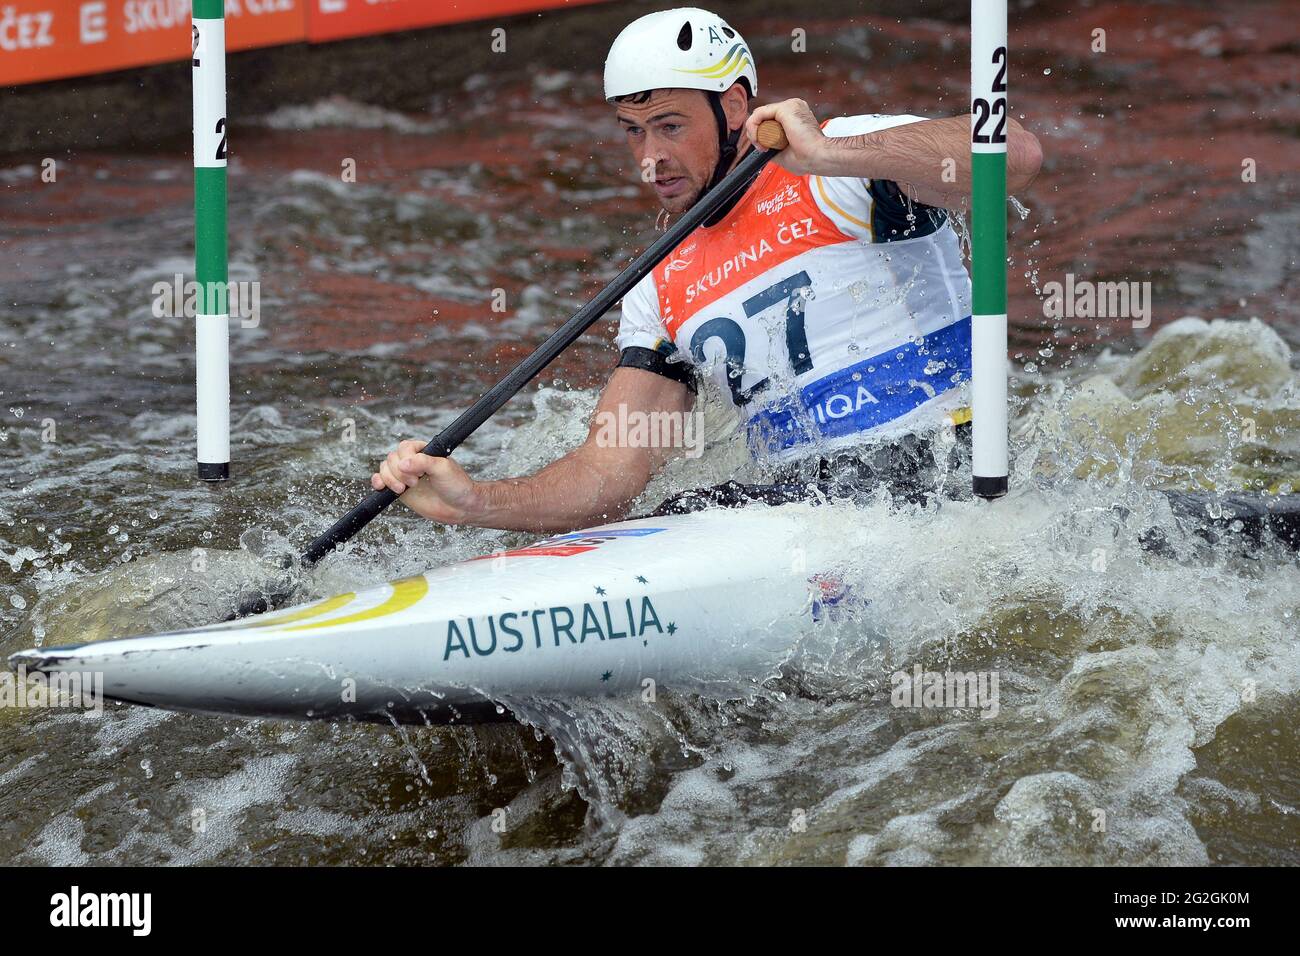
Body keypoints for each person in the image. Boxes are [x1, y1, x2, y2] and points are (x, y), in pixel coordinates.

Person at [371, 7, 1043, 532]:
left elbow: (1016, 155)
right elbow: (611, 472)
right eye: (632, 131)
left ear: (732, 107)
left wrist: (831, 154)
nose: (649, 157)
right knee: (689, 509)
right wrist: (473, 501)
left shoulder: (840, 164)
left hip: (944, 466)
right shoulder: (659, 283)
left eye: (668, 125)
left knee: (705, 507)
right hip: (808, 507)